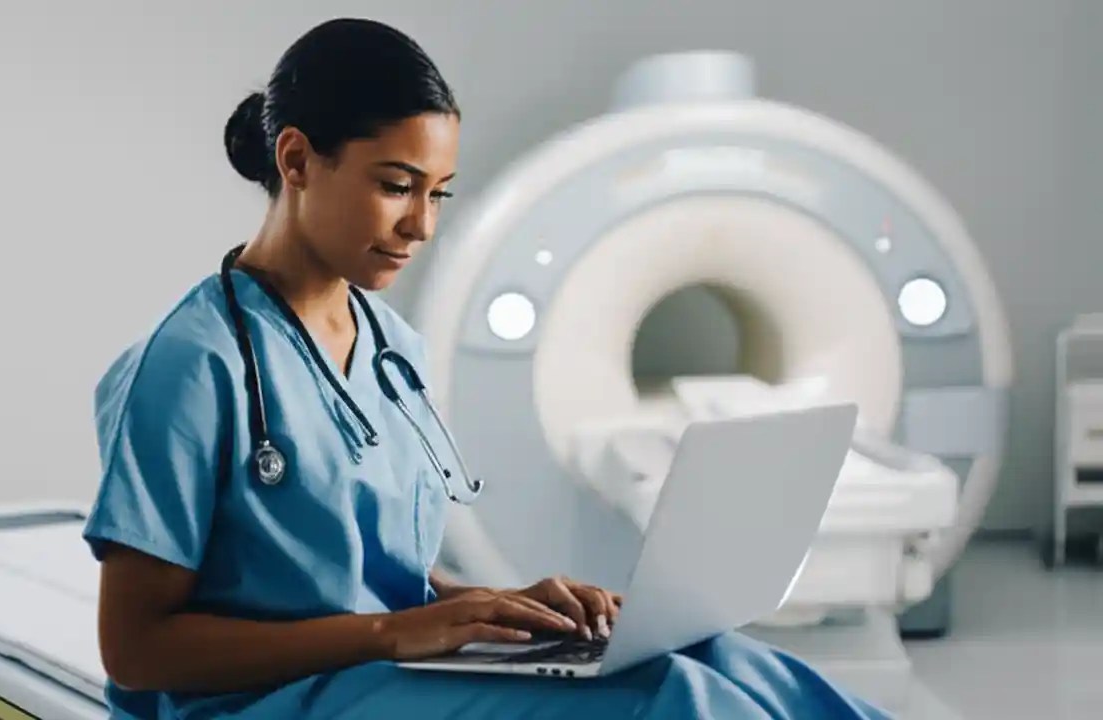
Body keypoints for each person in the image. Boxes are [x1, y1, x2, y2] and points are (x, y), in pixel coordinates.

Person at [82, 17, 890, 720]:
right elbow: (137, 648)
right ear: (296, 160)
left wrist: (490, 603)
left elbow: (364, 562)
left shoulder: (391, 344)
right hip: (265, 701)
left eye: (440, 194)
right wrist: (395, 632)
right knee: (665, 701)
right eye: (397, 186)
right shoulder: (191, 365)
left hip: (378, 667)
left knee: (725, 662)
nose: (420, 226)